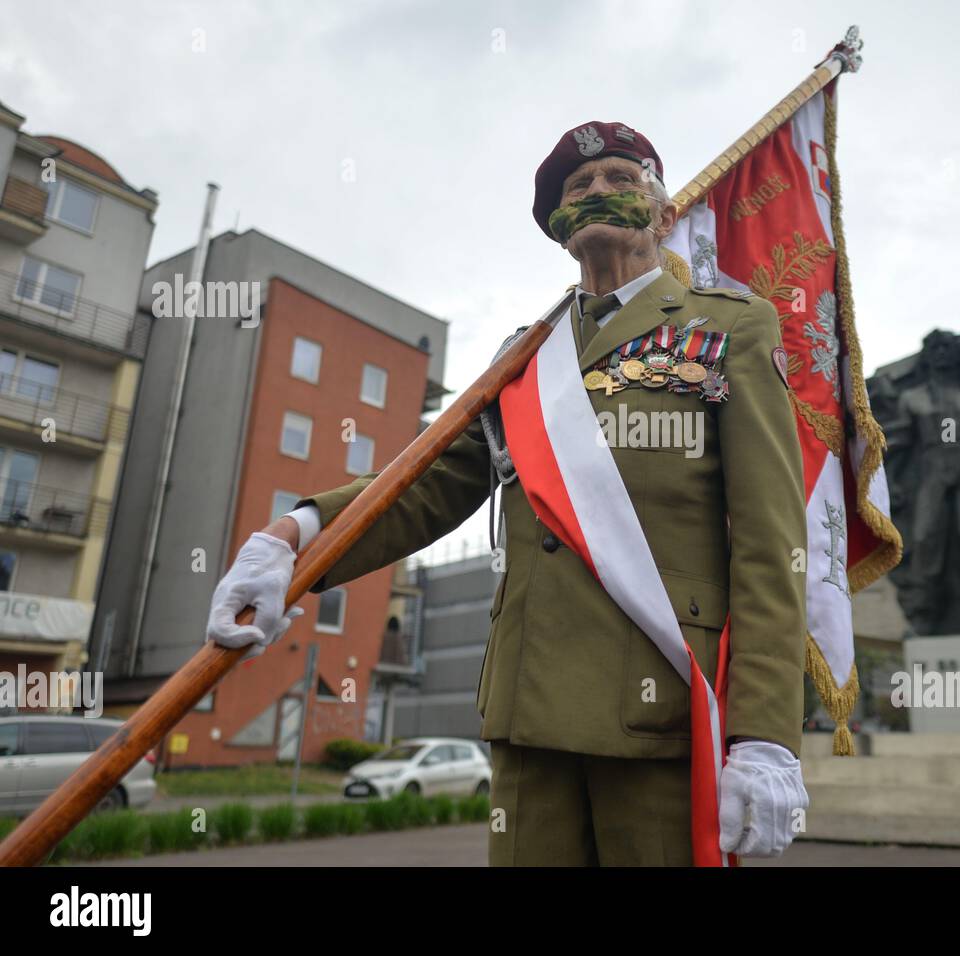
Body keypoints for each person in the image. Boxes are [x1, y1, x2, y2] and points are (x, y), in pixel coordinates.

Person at [205, 120, 810, 866]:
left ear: (663, 214)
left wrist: (766, 734)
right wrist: (291, 536)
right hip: (528, 713)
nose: (597, 193)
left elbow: (770, 543)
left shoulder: (729, 328)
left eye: (621, 180)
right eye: (578, 188)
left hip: (663, 707)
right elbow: (424, 486)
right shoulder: (527, 357)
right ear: (560, 229)